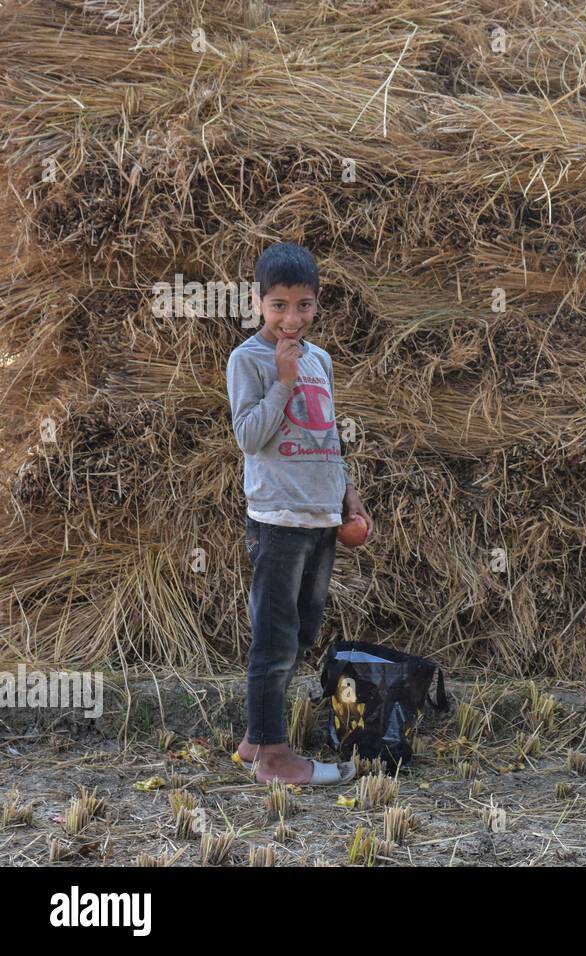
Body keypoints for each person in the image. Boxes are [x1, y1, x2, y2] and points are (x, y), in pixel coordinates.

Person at [225, 241, 371, 785]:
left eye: (304, 305)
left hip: (319, 516)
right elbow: (248, 436)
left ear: (316, 304)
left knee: (303, 628)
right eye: (280, 305)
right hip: (278, 519)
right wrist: (283, 382)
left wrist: (346, 493)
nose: (292, 318)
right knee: (275, 637)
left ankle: (253, 737)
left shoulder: (321, 359)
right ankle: (273, 754)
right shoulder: (249, 360)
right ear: (259, 303)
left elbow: (325, 435)